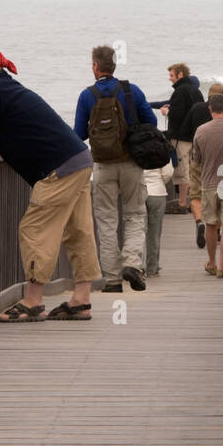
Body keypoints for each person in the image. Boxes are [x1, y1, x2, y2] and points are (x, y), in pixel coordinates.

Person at [0, 44, 100, 322]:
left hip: (58, 167)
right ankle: (81, 299)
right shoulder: (5, 88)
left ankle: (32, 302)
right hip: (78, 158)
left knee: (34, 230)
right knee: (78, 230)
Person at [73, 45, 157, 293]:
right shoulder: (132, 91)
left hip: (102, 165)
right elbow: (150, 122)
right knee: (135, 215)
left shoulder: (87, 95)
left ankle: (111, 280)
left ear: (95, 67)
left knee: (107, 220)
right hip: (131, 163)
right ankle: (132, 263)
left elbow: (78, 134)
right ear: (114, 66)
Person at [179, 82, 223, 242]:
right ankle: (219, 229)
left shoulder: (196, 108)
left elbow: (184, 132)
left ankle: (200, 222)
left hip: (200, 160)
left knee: (196, 195)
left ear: (208, 94)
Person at [191, 93, 223, 278]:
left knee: (211, 224)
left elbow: (196, 159)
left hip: (209, 181)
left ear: (210, 109)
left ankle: (211, 262)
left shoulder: (201, 131)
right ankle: (222, 266)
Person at [160, 64, 204, 213]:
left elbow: (178, 114)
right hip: (195, 136)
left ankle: (182, 203)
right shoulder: (196, 91)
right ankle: (195, 201)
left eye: (172, 75)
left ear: (180, 75)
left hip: (181, 137)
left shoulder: (179, 91)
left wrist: (166, 111)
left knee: (182, 171)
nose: (169, 78)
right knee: (193, 171)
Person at [144, 157, 175, 276]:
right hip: (157, 192)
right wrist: (159, 181)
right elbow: (168, 172)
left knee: (137, 230)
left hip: (138, 191)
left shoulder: (132, 141)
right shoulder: (161, 143)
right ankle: (152, 266)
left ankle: (139, 266)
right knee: (154, 232)